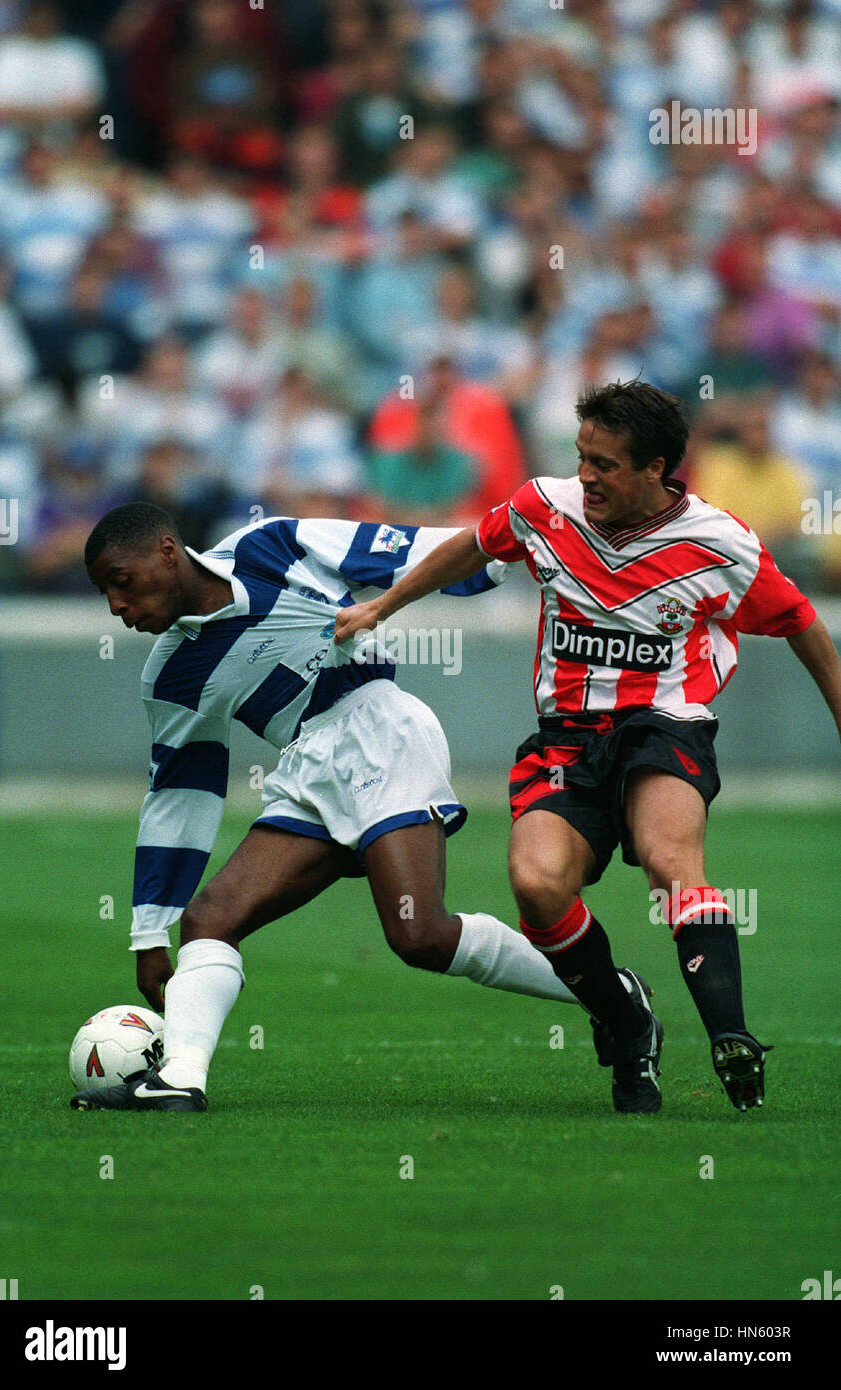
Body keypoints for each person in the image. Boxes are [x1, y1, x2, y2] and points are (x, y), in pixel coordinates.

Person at [335, 380, 841, 1114]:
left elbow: (799, 621)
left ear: (656, 468)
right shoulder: (547, 507)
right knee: (538, 886)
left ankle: (732, 1036)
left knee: (672, 860)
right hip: (567, 738)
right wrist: (385, 605)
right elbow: (473, 544)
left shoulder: (716, 542)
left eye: (605, 464)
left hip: (665, 726)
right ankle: (628, 1020)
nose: (587, 477)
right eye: (582, 459)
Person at [72, 501, 646, 1112]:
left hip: (379, 734)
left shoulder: (271, 548)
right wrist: (148, 932)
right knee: (209, 921)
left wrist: (500, 552)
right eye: (106, 593)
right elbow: (179, 797)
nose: (116, 606)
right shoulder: (170, 677)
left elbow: (399, 549)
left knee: (419, 936)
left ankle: (610, 992)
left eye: (121, 582)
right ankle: (181, 1079)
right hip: (307, 766)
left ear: (167, 551)